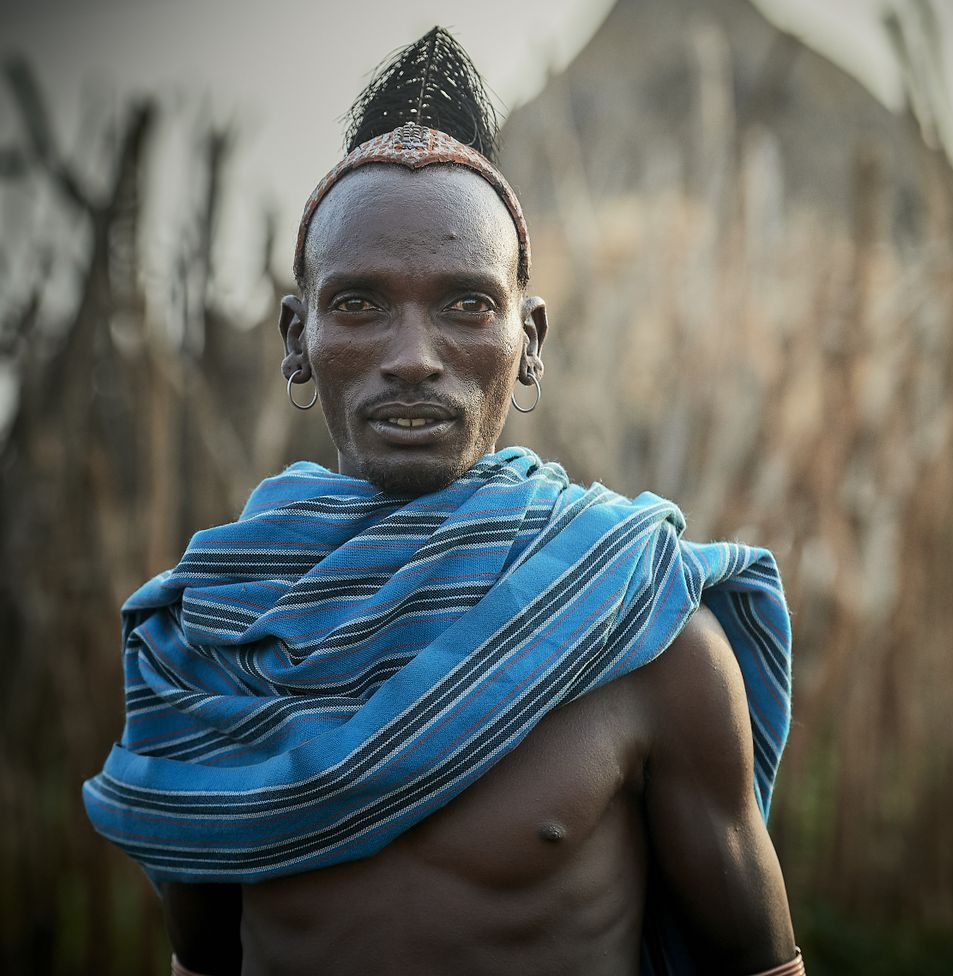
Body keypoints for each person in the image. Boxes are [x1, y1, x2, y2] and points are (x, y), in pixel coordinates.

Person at [84, 28, 803, 976]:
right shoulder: (210, 636)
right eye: (360, 304)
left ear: (529, 341)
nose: (415, 357)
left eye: (467, 304)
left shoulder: (641, 625)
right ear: (296, 337)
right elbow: (206, 961)